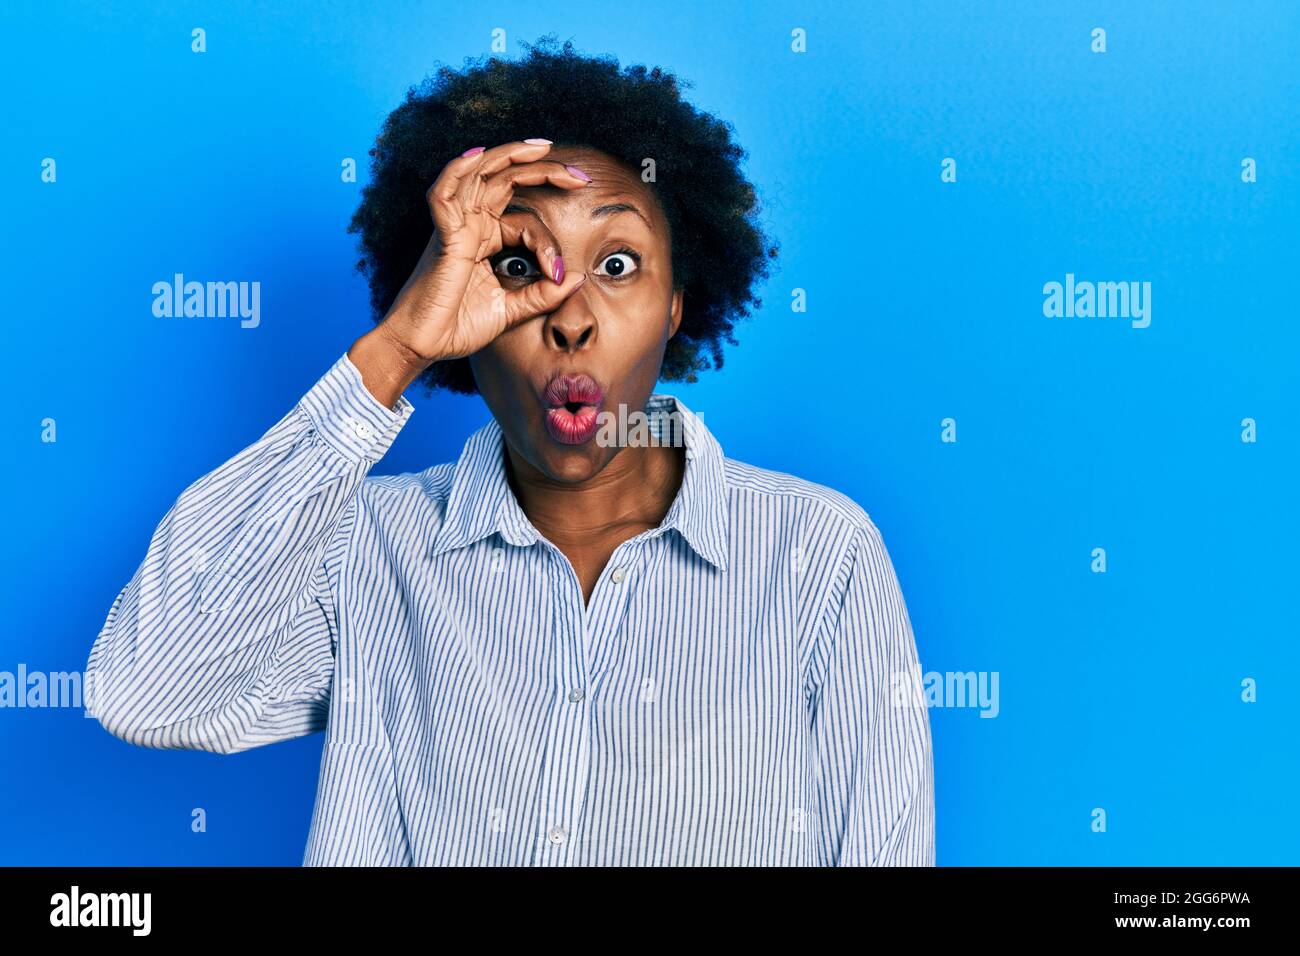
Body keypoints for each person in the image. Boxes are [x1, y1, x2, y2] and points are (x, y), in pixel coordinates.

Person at [86, 37, 934, 866]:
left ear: (677, 304)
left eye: (617, 261)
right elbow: (151, 692)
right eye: (522, 264)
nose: (571, 316)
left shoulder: (818, 556)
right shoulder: (366, 548)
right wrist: (397, 351)